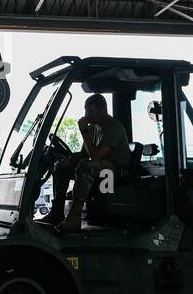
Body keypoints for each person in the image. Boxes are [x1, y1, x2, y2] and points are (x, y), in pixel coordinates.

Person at [44, 93, 130, 232]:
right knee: (61, 166)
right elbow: (85, 154)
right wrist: (69, 159)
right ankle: (57, 212)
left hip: (116, 171)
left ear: (103, 110)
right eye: (86, 111)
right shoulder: (94, 128)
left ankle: (74, 218)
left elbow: (95, 156)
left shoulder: (114, 127)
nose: (86, 115)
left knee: (87, 166)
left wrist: (84, 131)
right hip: (100, 166)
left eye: (91, 111)